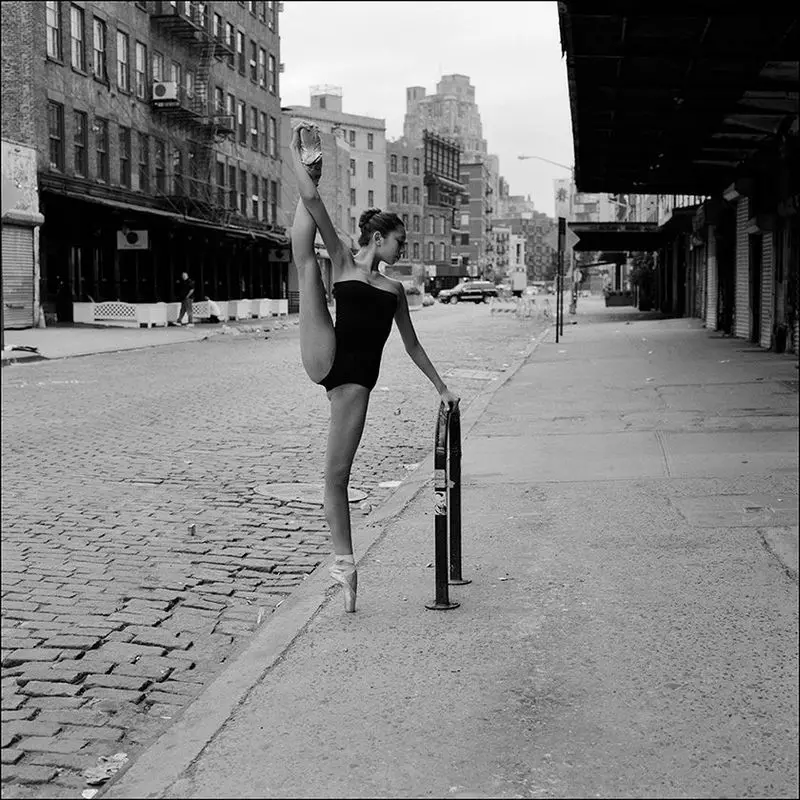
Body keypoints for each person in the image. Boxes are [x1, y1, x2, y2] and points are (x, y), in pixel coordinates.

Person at [289, 121, 459, 613]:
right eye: (399, 243)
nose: (402, 252)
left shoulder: (394, 291)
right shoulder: (341, 259)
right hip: (327, 352)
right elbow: (319, 213)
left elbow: (412, 346)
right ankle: (307, 171)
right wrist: (303, 173)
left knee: (335, 478)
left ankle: (345, 567)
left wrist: (442, 388)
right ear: (378, 237)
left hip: (353, 382)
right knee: (306, 260)